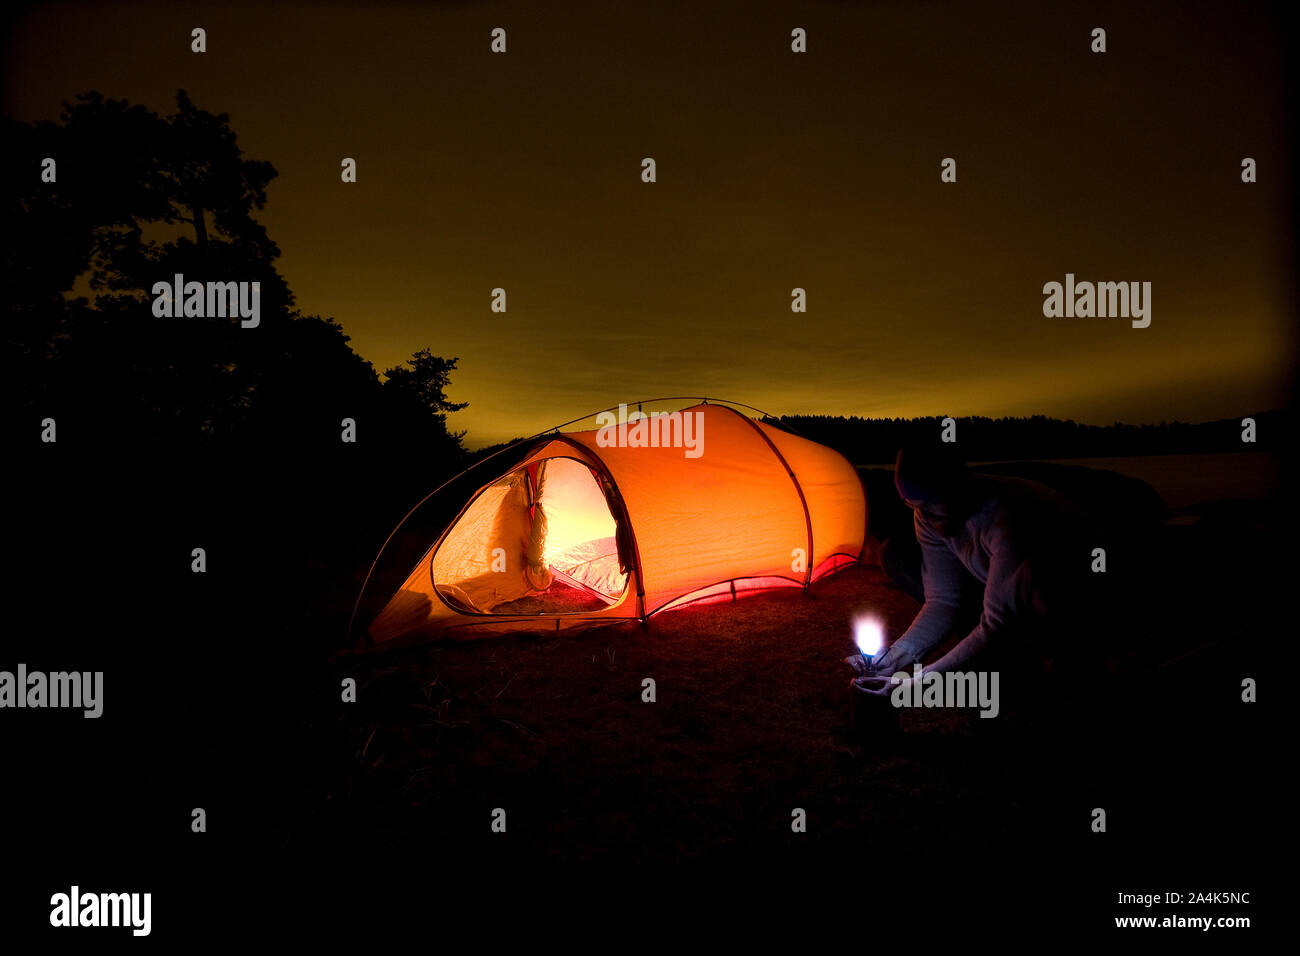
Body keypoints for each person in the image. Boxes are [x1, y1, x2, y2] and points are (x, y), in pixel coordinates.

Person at [849, 444, 1087, 695]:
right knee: (894, 553)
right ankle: (996, 653)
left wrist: (911, 686)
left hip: (1076, 595)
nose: (924, 517)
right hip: (1000, 585)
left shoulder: (1007, 517)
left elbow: (996, 624)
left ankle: (1055, 657)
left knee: (1035, 598)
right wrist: (894, 658)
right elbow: (943, 600)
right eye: (913, 506)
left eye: (930, 506)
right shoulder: (927, 513)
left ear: (955, 488)